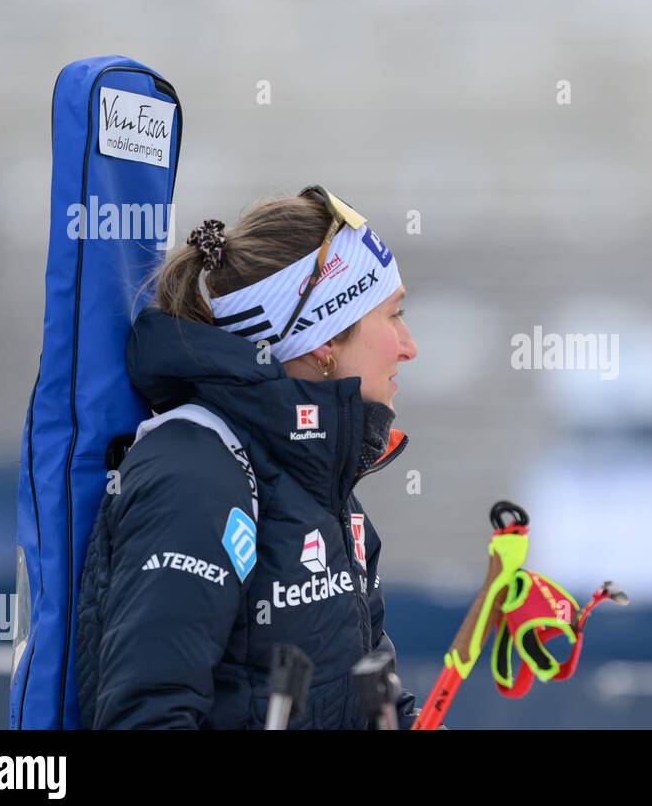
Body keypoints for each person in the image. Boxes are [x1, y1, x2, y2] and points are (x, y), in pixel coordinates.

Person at [75, 186, 419, 728]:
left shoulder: (316, 476)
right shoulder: (194, 475)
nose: (408, 345)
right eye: (393, 316)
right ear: (323, 340)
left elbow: (373, 709)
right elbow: (146, 719)